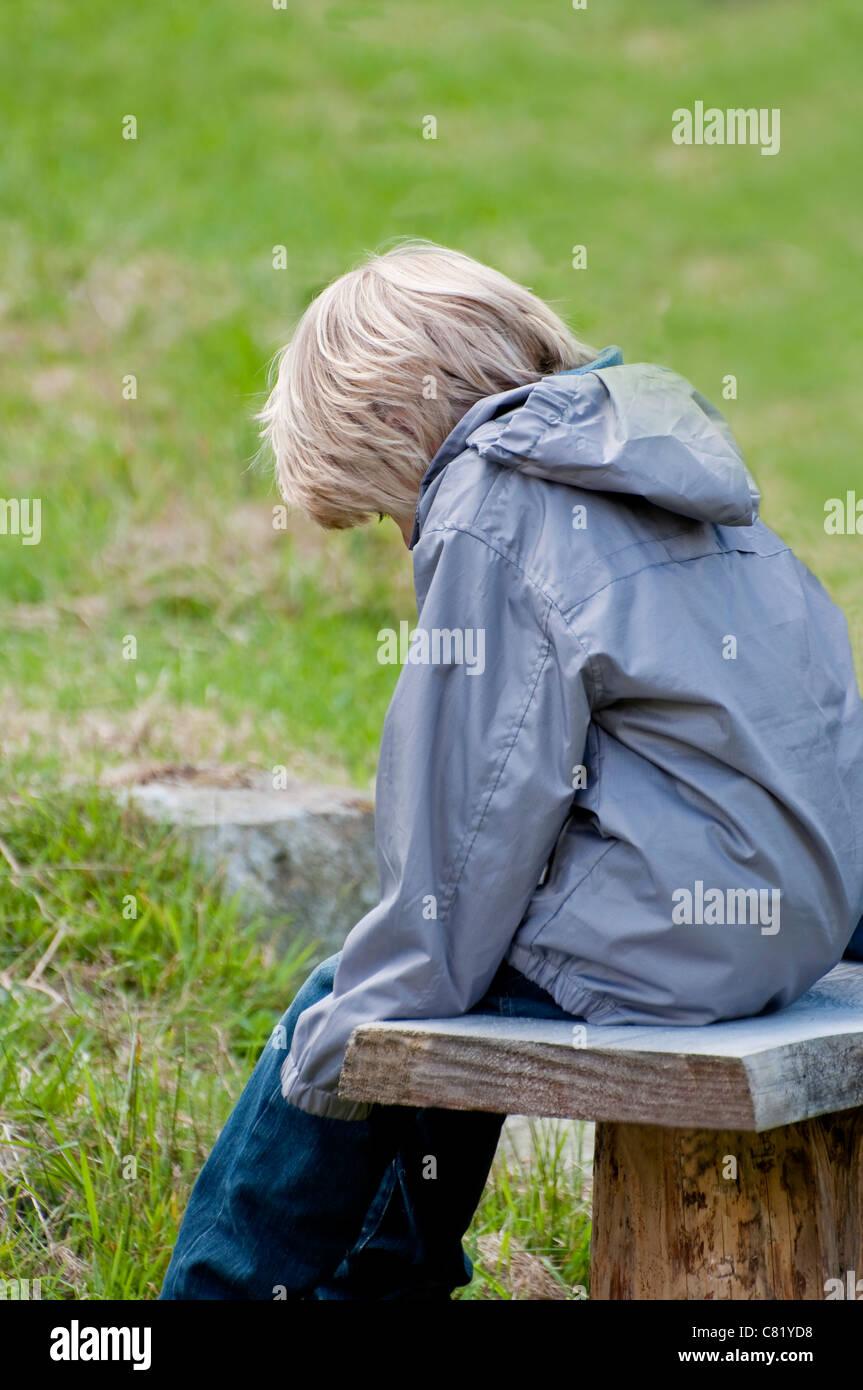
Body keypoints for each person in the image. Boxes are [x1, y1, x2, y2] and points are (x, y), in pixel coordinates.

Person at [161, 239, 863, 1300]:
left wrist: (351, 1021)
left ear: (388, 425)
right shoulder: (667, 472)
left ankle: (210, 1301)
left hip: (686, 942)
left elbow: (466, 841)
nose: (404, 537)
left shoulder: (490, 502)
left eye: (388, 513)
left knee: (360, 996)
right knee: (456, 965)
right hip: (804, 918)